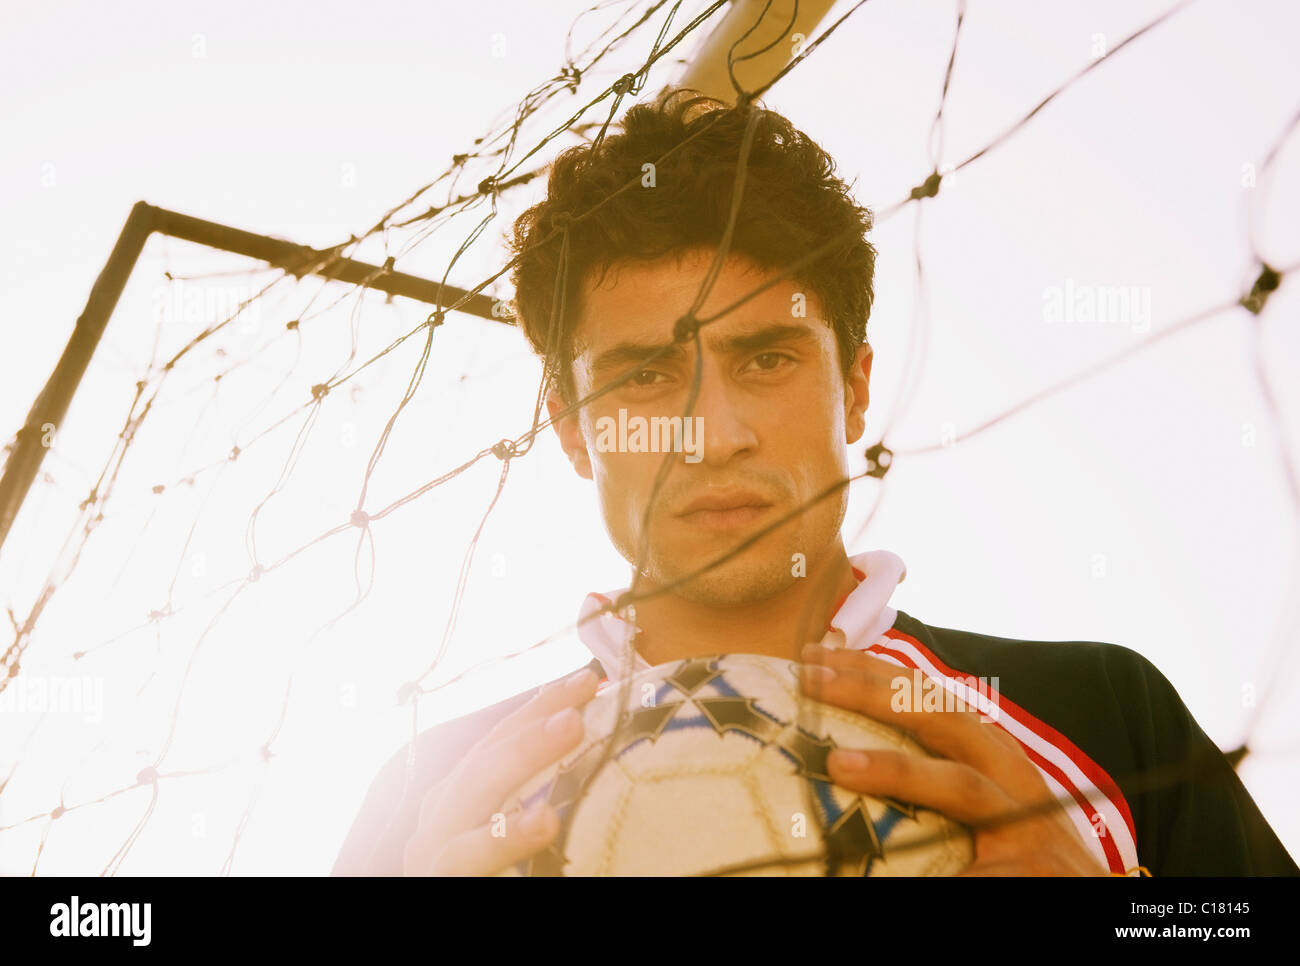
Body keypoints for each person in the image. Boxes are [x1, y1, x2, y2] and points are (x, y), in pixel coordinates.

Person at [330, 89, 1297, 877]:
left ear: (856, 389)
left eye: (766, 361)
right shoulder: (432, 792)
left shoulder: (1101, 712)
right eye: (646, 376)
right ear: (572, 426)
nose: (713, 436)